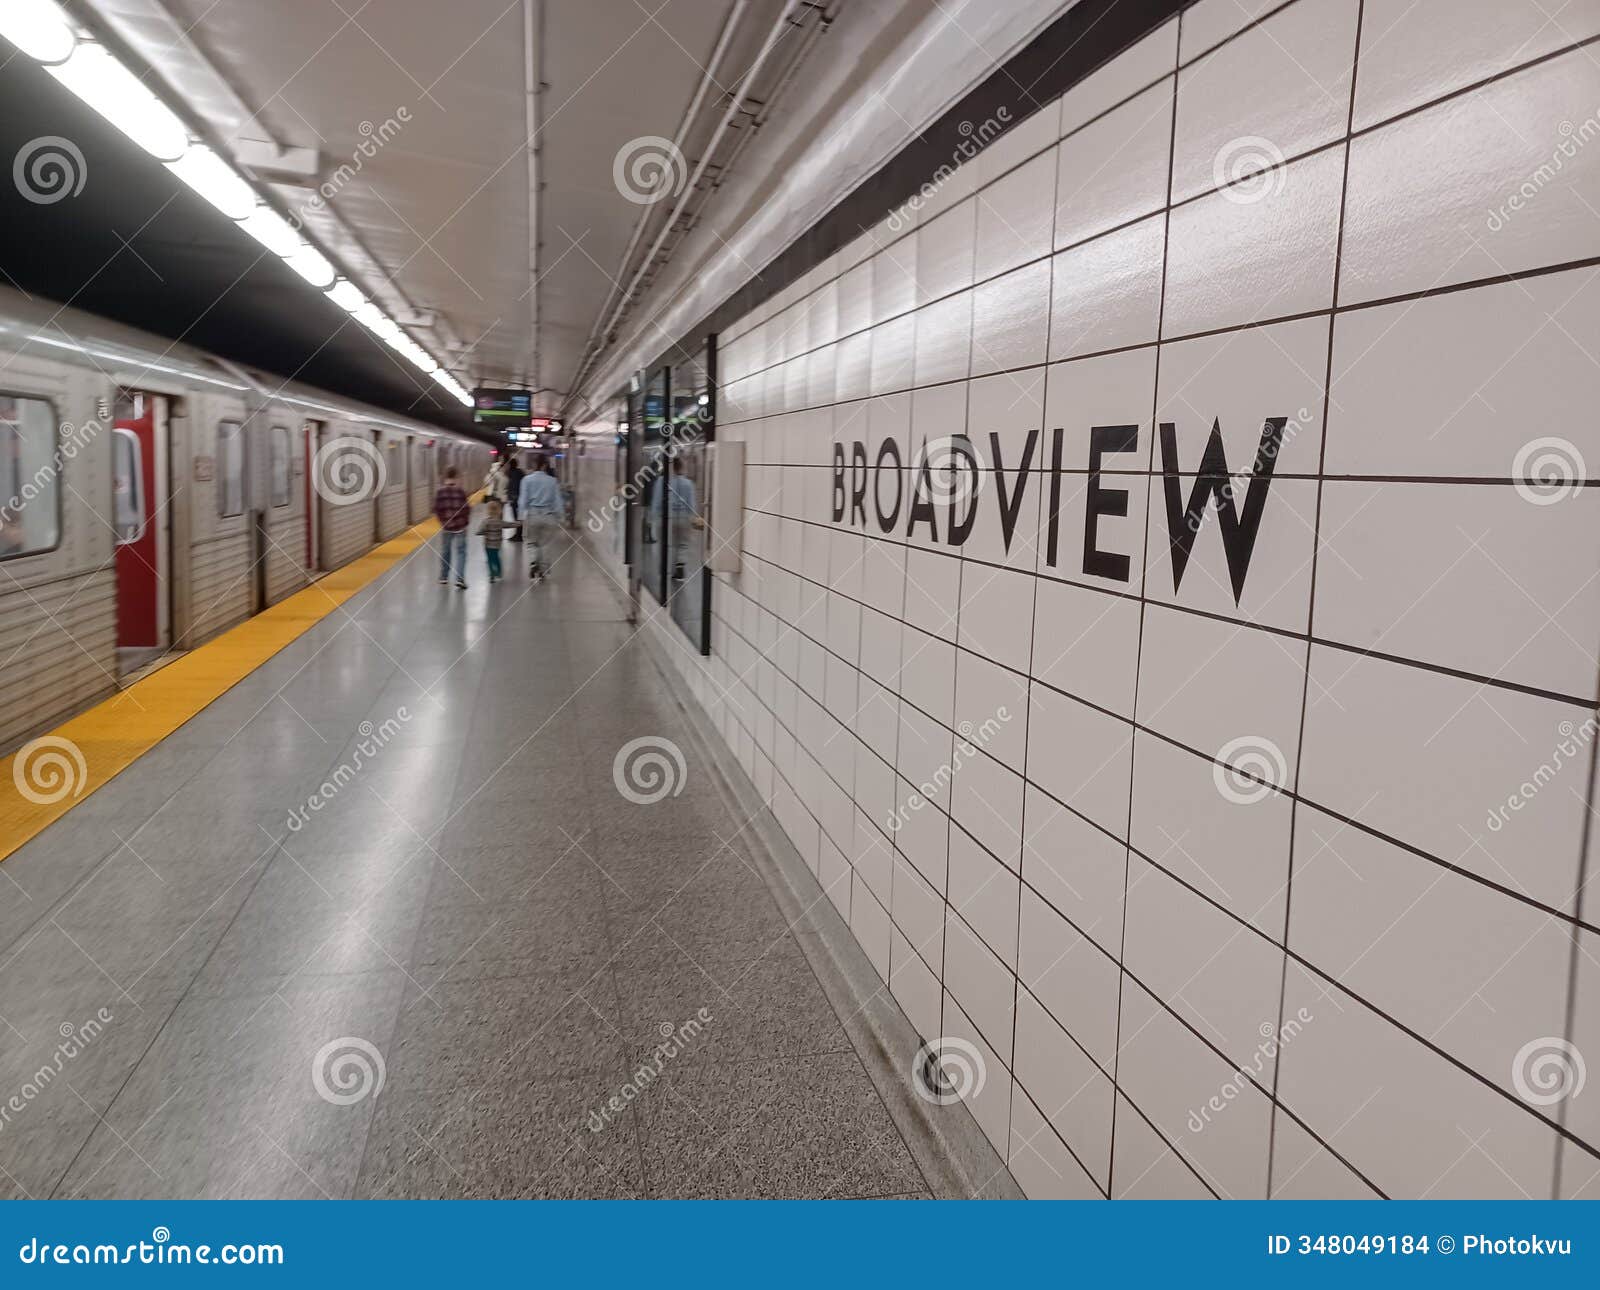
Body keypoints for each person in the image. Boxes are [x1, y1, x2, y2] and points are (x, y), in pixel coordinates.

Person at [518, 454, 562, 582]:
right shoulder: (552, 481)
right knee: (545, 544)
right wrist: (560, 516)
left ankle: (533, 562)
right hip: (548, 516)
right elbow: (557, 501)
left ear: (533, 465)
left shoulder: (526, 480)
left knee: (531, 542)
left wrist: (521, 516)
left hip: (532, 515)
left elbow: (523, 500)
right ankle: (542, 570)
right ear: (545, 465)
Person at [433, 465, 471, 588]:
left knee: (446, 552)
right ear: (456, 477)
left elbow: (437, 509)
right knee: (461, 552)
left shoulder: (440, 491)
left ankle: (443, 577)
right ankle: (460, 578)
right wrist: (465, 523)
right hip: (460, 527)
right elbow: (466, 509)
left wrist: (443, 522)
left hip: (447, 527)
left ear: (446, 477)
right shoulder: (461, 491)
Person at [666, 455, 699, 580]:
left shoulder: (669, 483)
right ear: (681, 467)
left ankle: (672, 568)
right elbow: (691, 503)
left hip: (671, 517)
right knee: (683, 544)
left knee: (673, 543)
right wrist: (693, 518)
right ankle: (680, 567)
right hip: (684, 517)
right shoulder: (688, 483)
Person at [477, 494, 504, 583]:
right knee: (496, 557)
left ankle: (492, 574)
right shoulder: (500, 522)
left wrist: (479, 533)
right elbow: (509, 524)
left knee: (490, 559)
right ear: (499, 511)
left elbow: (480, 530)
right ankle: (499, 572)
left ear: (488, 511)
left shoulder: (486, 521)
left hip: (487, 544)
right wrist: (519, 523)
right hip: (497, 544)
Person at [503, 453, 526, 534]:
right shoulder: (521, 472)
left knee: (516, 516)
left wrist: (510, 497)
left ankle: (518, 533)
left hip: (514, 497)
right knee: (519, 516)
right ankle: (519, 532)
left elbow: (511, 486)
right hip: (520, 497)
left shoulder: (511, 473)